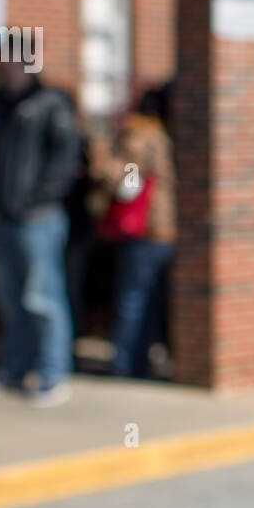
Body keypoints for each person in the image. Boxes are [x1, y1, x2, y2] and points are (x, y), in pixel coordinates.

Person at [0, 53, 80, 406]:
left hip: (39, 219)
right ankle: (15, 368)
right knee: (9, 299)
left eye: (11, 60)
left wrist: (36, 199)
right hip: (0, 219)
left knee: (43, 298)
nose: (3, 67)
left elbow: (65, 159)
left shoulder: (51, 102)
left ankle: (53, 373)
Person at [88, 90, 176, 378]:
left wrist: (101, 161)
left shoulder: (138, 136)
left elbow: (127, 181)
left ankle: (124, 362)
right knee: (150, 300)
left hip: (142, 229)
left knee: (132, 298)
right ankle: (140, 360)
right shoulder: (164, 135)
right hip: (164, 229)